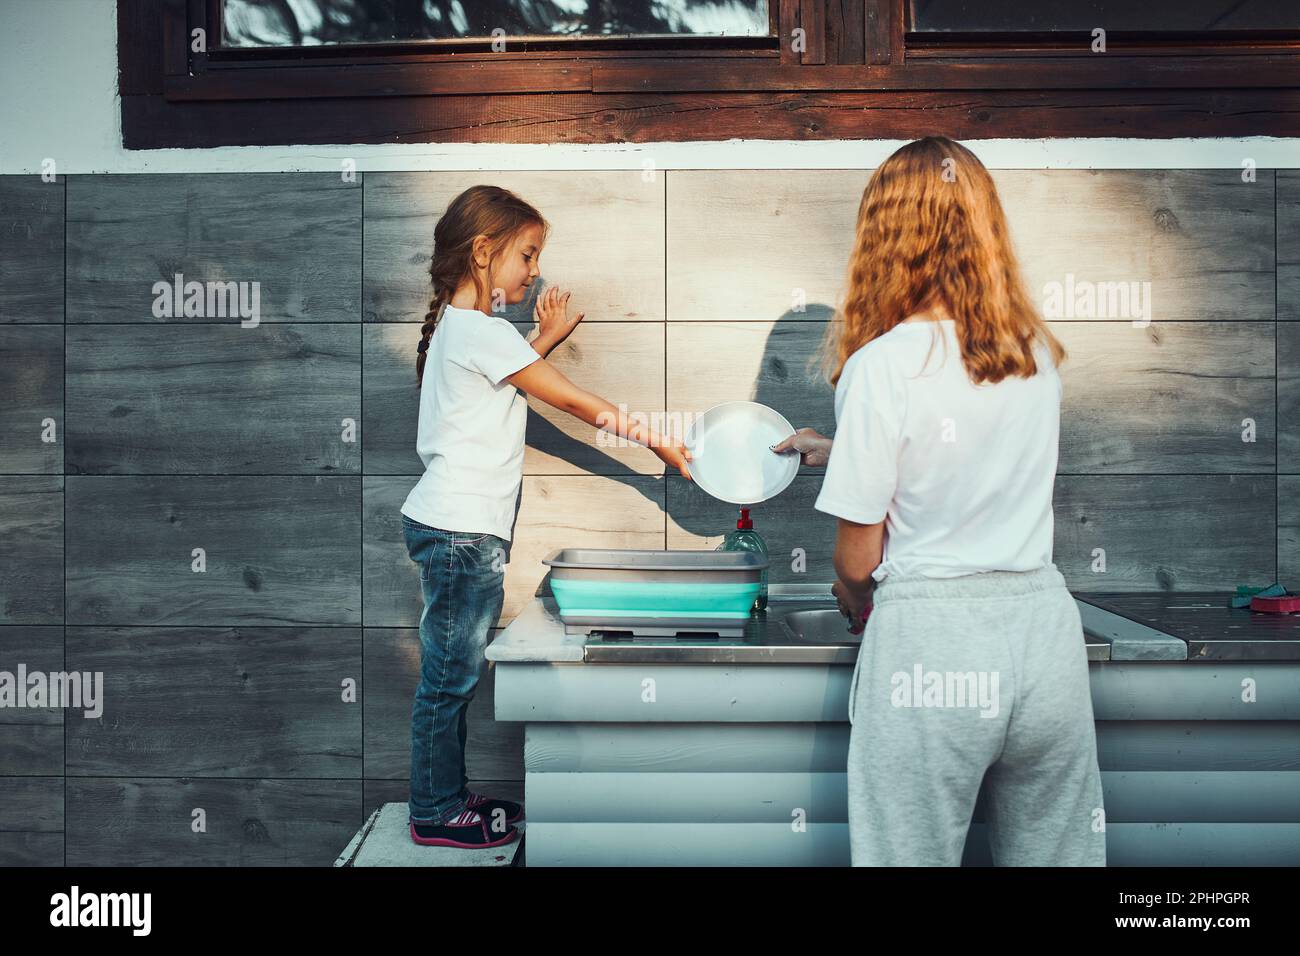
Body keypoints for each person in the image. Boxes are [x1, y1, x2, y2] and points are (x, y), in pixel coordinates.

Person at [773, 136, 1106, 867]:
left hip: (933, 646)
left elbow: (858, 560)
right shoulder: (1034, 353)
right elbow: (971, 459)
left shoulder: (881, 365)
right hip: (1044, 637)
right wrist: (842, 451)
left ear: (887, 239)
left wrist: (852, 597)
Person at [400, 185, 692, 848]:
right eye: (528, 255)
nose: (535, 272)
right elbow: (576, 405)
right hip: (460, 535)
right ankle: (434, 811)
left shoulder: (465, 331)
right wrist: (658, 439)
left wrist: (545, 338)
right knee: (449, 680)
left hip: (453, 529)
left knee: (454, 674)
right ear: (482, 252)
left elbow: (508, 379)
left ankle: (445, 793)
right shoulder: (481, 332)